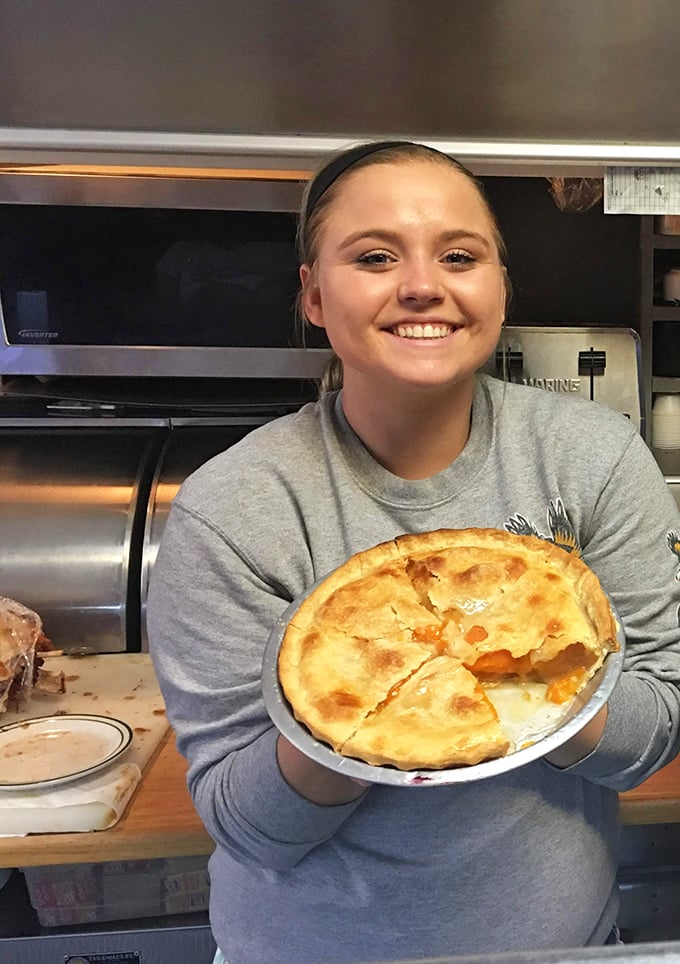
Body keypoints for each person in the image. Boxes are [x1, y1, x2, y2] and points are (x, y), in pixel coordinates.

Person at [147, 140, 680, 964]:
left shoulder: (595, 458)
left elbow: (656, 726)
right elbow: (248, 827)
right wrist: (371, 708)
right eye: (374, 257)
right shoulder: (233, 508)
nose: (424, 285)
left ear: (501, 287)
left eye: (460, 255)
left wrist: (521, 679)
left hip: (560, 949)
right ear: (315, 295)